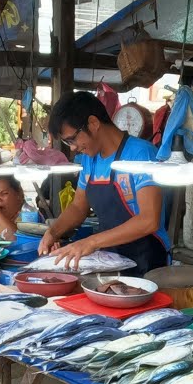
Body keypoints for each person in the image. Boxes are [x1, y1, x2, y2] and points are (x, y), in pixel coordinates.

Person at [39, 91, 169, 276]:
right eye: (68, 143)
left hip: (148, 260)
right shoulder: (89, 159)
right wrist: (53, 232)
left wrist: (91, 242)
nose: (73, 148)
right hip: (111, 260)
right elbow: (78, 207)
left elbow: (149, 220)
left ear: (93, 123)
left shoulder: (141, 154)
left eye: (72, 139)